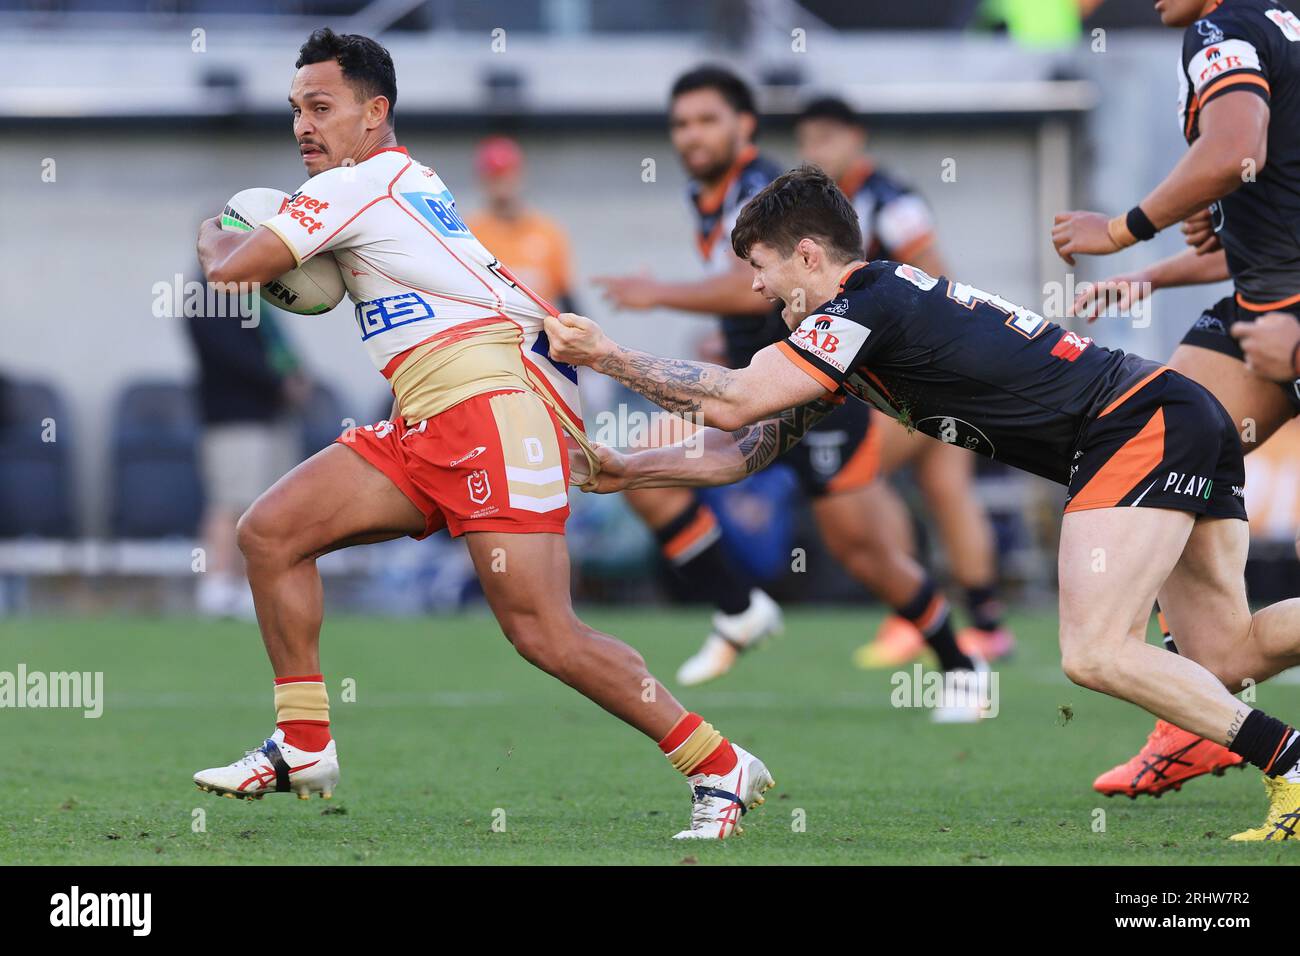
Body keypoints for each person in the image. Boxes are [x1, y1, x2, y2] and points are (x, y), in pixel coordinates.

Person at [546, 165, 1300, 841]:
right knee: (1225, 652)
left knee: (1095, 651)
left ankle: (1291, 766)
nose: (753, 288)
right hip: (1173, 413)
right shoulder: (864, 322)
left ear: (808, 256)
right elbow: (747, 451)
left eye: (759, 266)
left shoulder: (862, 305)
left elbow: (738, 400)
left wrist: (608, 354)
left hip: (1138, 425)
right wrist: (627, 468)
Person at [190, 28, 771, 840]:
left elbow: (230, 271)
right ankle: (303, 742)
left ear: (375, 111)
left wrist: (213, 231)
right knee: (270, 533)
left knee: (543, 633)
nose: (303, 126)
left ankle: (719, 763)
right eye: (295, 109)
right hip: (426, 418)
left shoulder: (364, 182)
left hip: (493, 411)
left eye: (322, 107)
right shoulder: (402, 177)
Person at [595, 67, 982, 712]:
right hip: (756, 384)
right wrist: (731, 342)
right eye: (681, 123)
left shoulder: (759, 190)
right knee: (647, 470)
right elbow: (756, 298)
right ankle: (740, 608)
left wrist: (657, 292)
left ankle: (961, 662)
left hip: (816, 390)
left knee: (865, 555)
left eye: (707, 120)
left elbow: (743, 282)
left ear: (745, 126)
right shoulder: (710, 195)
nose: (691, 135)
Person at [1057, 0, 1300, 808]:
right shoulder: (1282, 22)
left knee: (1155, 449)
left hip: (1284, 318)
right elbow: (1269, 196)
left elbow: (1237, 150)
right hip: (1264, 311)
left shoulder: (1223, 27)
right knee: (1169, 458)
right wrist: (1157, 273)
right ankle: (1195, 714)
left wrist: (1122, 230)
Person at [795, 95, 1014, 668]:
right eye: (806, 139)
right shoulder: (826, 209)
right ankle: (985, 623)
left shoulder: (889, 201)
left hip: (917, 373)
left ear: (855, 137)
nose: (814, 151)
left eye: (825, 138)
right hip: (908, 374)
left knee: (860, 473)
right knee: (944, 487)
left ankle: (913, 612)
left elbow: (938, 276)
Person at [185, 279, 309, 619]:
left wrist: (296, 375)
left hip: (271, 417)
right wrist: (278, 380)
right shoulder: (205, 298)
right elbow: (232, 354)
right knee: (231, 503)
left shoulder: (254, 298)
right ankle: (215, 585)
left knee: (265, 507)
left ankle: (245, 587)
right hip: (234, 420)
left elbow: (275, 345)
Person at [465, 136, 579, 314]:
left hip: (541, 334)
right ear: (482, 180)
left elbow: (565, 295)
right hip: (491, 333)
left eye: (507, 174)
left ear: (520, 174)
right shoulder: (469, 233)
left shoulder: (547, 231)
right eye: (494, 176)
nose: (502, 184)